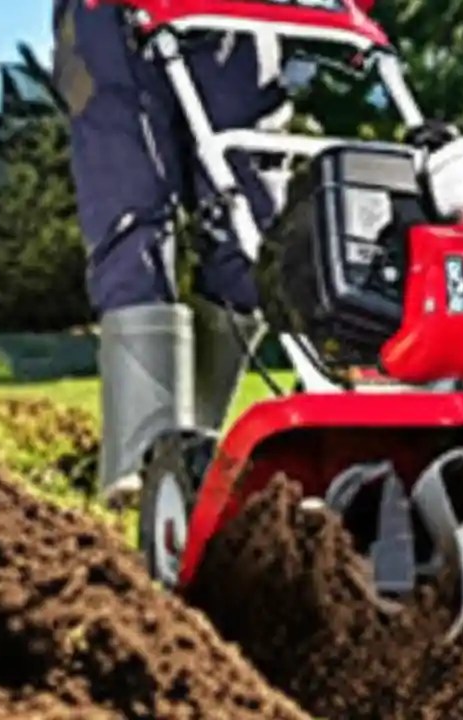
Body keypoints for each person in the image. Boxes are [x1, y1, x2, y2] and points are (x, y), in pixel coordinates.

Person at [52, 0, 310, 508]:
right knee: (129, 199)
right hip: (109, 19)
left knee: (251, 222)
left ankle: (194, 452)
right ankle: (140, 458)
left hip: (242, 18)